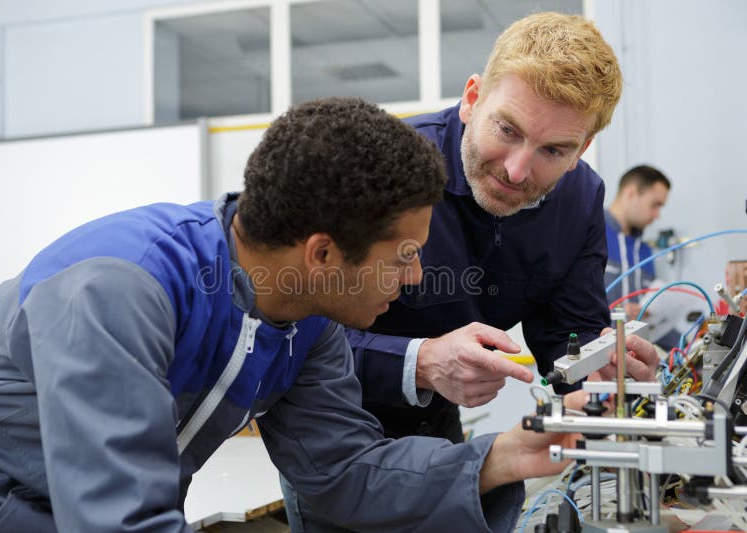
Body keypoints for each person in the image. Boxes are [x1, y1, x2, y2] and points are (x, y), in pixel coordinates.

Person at [0, 97, 583, 533]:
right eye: (406, 255)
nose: (417, 276)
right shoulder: (119, 289)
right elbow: (116, 516)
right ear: (323, 253)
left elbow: (340, 470)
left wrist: (505, 455)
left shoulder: (306, 317)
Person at [281, 12, 661, 532]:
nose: (517, 171)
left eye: (554, 150)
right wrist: (418, 361)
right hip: (337, 430)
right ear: (472, 97)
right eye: (507, 130)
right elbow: (291, 331)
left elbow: (565, 334)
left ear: (583, 149)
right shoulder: (381, 169)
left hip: (441, 432)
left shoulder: (579, 200)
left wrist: (593, 368)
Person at [604, 164, 671, 320]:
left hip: (637, 340)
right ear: (631, 194)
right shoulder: (590, 234)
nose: (657, 215)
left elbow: (648, 318)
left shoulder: (644, 250)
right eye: (655, 205)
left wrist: (690, 339)